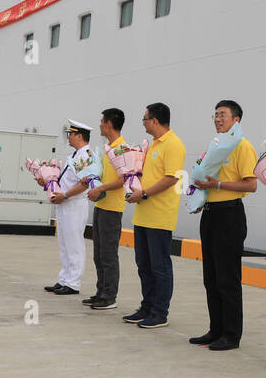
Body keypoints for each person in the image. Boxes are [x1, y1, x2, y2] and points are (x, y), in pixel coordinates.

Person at [190, 100, 258, 351]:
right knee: (211, 276)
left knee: (228, 278)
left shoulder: (242, 146)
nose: (217, 119)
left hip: (229, 215)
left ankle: (231, 334)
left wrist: (217, 186)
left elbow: (251, 184)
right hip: (210, 213)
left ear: (236, 120)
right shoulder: (216, 144)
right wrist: (201, 196)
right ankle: (215, 329)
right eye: (215, 115)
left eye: (223, 115)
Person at [123, 103, 185, 328]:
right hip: (143, 215)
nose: (143, 123)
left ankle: (160, 313)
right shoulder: (152, 146)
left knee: (159, 266)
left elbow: (172, 178)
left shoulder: (173, 144)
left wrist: (145, 193)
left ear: (155, 120)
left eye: (145, 119)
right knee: (144, 265)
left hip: (160, 216)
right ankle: (147, 307)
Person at [38, 120, 95, 297]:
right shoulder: (75, 155)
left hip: (74, 204)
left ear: (79, 135)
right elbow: (64, 180)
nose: (68, 137)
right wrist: (46, 183)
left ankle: (73, 283)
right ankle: (64, 279)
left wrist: (66, 195)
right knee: (64, 243)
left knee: (74, 244)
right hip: (65, 203)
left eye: (71, 133)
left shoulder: (86, 155)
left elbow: (84, 184)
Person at [83, 108, 128, 311]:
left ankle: (110, 296)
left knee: (109, 255)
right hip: (101, 205)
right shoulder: (107, 147)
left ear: (109, 123)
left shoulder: (120, 148)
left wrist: (101, 188)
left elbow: (123, 179)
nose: (100, 125)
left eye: (102, 121)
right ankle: (101, 292)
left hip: (112, 208)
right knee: (99, 254)